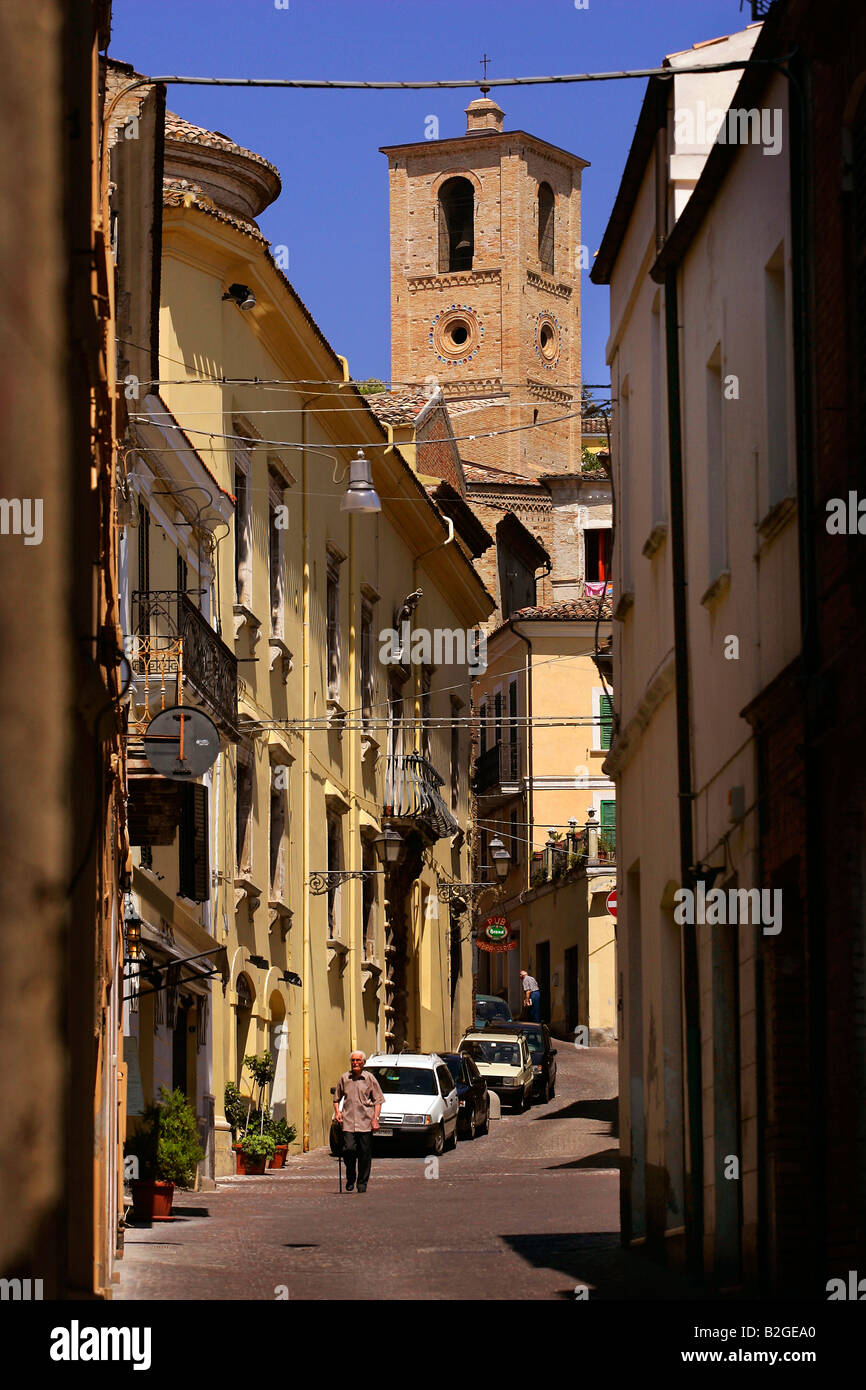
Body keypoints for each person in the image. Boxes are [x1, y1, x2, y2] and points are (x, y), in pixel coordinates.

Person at [333, 1050, 384, 1193]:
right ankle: (351, 1177)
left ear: (364, 1063)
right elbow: (336, 1099)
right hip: (348, 1123)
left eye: (358, 1061)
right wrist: (338, 1112)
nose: (355, 1063)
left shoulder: (370, 1079)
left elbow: (378, 1100)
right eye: (353, 1061)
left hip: (365, 1123)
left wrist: (375, 1119)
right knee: (348, 1150)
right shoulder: (344, 1078)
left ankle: (362, 1183)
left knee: (365, 1154)